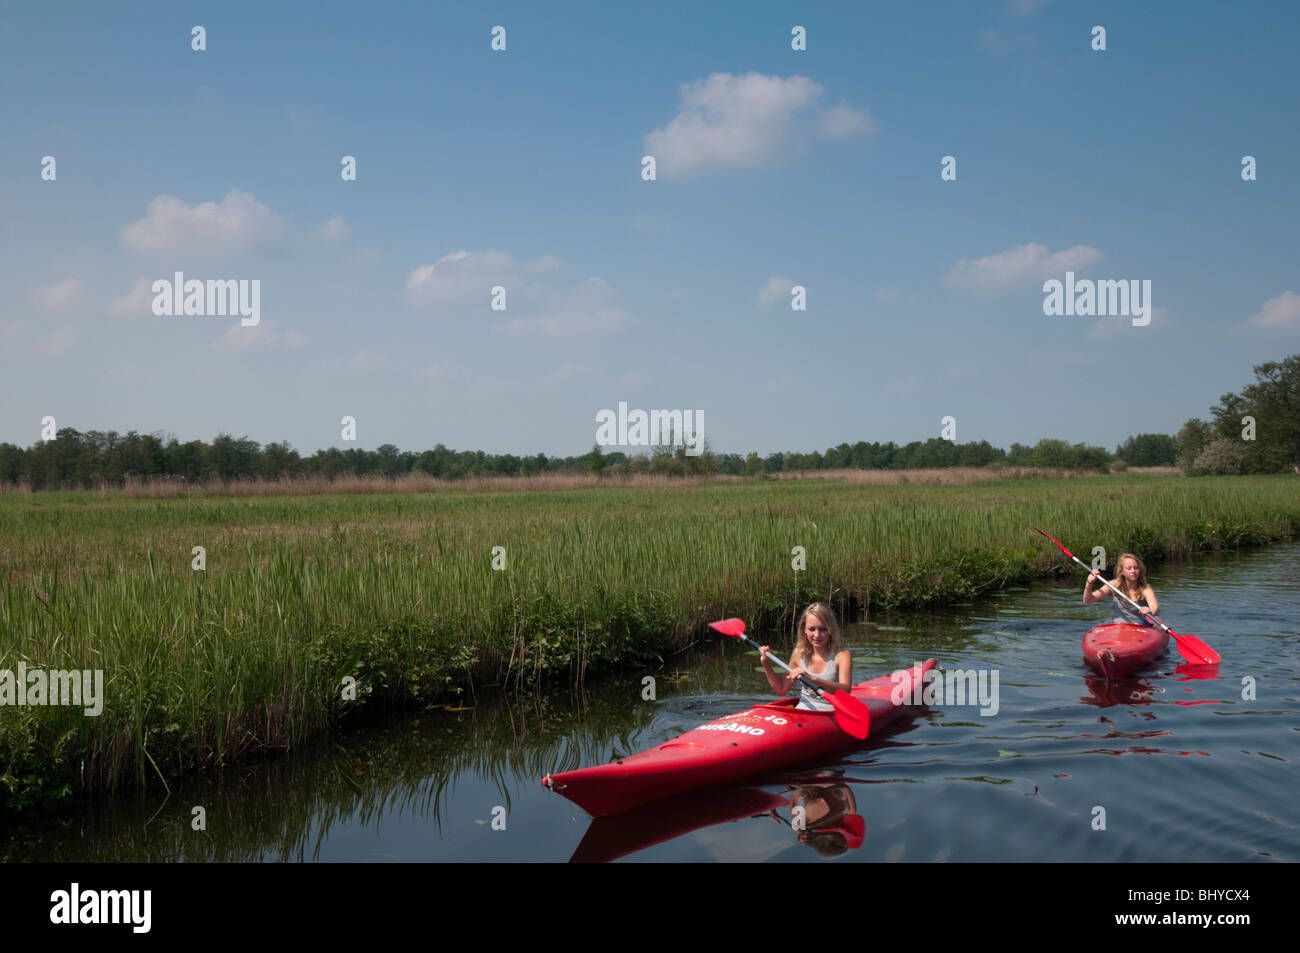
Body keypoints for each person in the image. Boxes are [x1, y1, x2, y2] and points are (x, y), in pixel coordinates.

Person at [758, 602, 852, 711]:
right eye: (812, 629)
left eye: (823, 629)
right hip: (802, 711)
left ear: (830, 629)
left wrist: (813, 679)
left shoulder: (842, 655)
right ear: (804, 629)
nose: (817, 635)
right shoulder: (799, 654)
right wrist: (766, 664)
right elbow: (781, 689)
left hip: (830, 712)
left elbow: (846, 690)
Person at [1084, 553, 1159, 625]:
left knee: (1140, 621)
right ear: (1121, 571)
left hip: (1139, 624)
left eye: (1136, 568)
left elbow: (1154, 607)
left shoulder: (1145, 589)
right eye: (1129, 568)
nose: (1133, 571)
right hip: (1117, 624)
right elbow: (1088, 600)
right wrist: (1089, 583)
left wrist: (1149, 610)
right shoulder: (1113, 585)